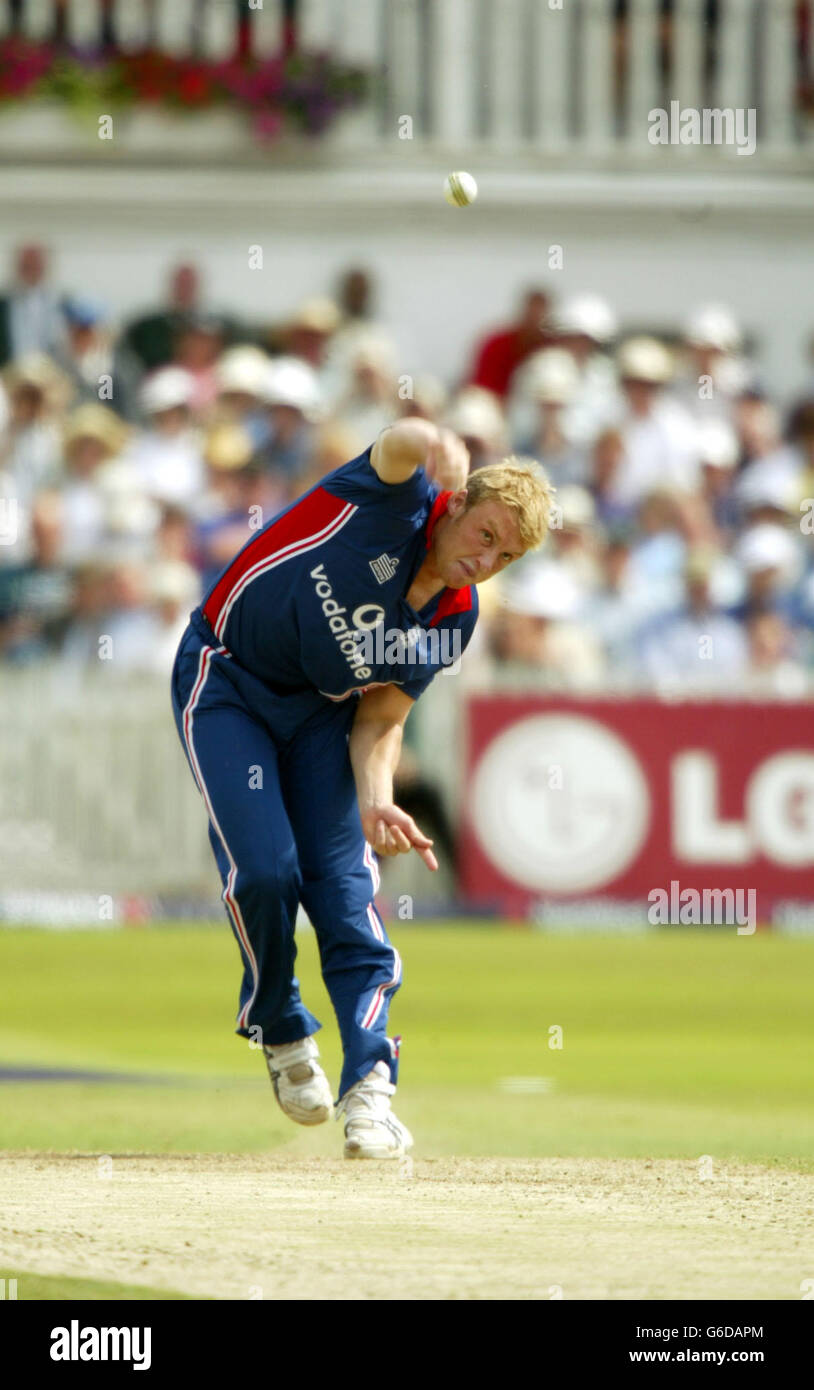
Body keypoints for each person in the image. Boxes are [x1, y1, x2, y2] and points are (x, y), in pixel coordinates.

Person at [170, 418, 553, 1158]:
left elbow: (382, 716)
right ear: (456, 506)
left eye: (507, 554)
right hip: (226, 681)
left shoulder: (455, 616)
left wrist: (377, 797)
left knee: (346, 897)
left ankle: (371, 1088)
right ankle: (281, 1027)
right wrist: (436, 441)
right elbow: (401, 438)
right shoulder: (394, 501)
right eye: (485, 534)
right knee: (266, 871)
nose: (487, 560)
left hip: (322, 715)